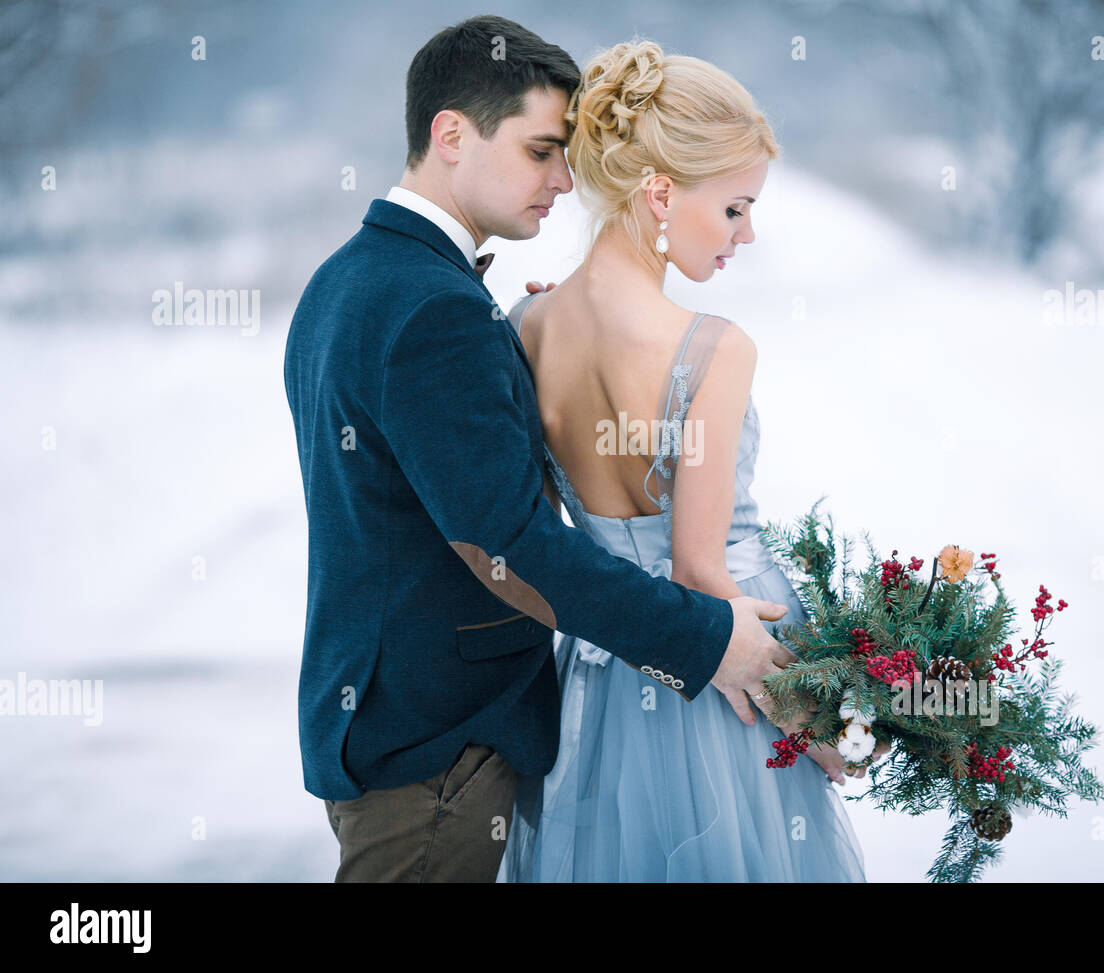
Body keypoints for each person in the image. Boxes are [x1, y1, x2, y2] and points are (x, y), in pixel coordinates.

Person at [282, 15, 795, 883]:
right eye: (538, 151)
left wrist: (556, 329)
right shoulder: (442, 312)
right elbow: (510, 541)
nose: (563, 178)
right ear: (451, 133)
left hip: (400, 724)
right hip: (440, 750)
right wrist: (712, 640)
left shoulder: (352, 280)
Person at [496, 39, 881, 882]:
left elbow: (547, 532)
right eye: (736, 207)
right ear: (661, 191)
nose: (747, 234)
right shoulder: (713, 348)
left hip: (600, 685)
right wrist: (823, 730)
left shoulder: (526, 329)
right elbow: (702, 573)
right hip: (719, 695)